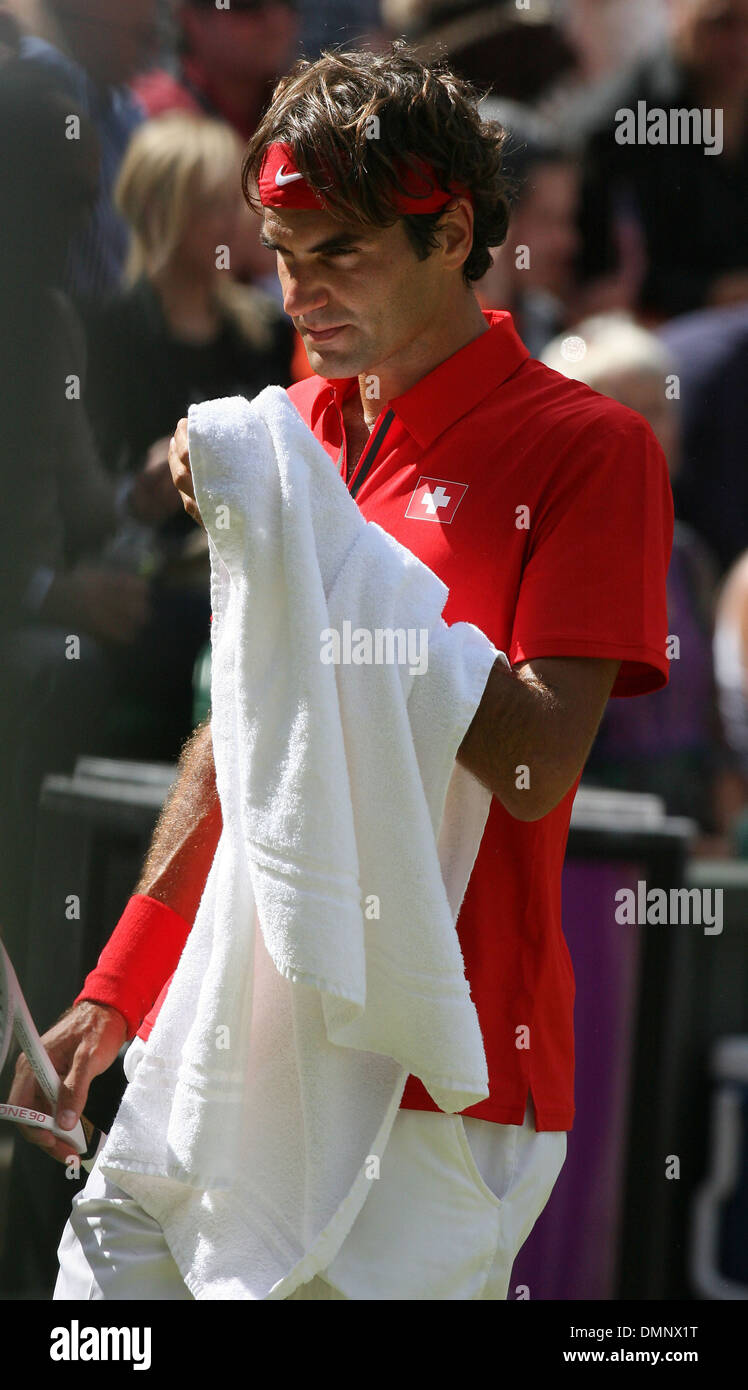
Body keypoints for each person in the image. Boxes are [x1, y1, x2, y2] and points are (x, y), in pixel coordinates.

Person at [12, 41, 673, 1301]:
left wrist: (334, 558)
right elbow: (243, 735)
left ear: (453, 233)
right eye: (281, 253)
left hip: (446, 1087)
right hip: (219, 1038)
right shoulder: (289, 435)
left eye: (340, 252)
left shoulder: (593, 449)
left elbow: (534, 764)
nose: (301, 291)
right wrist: (115, 990)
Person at [542, 313, 743, 850]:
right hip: (586, 849)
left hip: (689, 844)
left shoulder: (686, 555)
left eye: (658, 411)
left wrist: (721, 823)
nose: (647, 431)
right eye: (622, 412)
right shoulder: (542, 558)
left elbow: (712, 717)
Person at [83, 111, 296, 575]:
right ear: (162, 213)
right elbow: (82, 493)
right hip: (153, 575)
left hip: (257, 559)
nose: (233, 223)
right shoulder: (106, 339)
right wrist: (139, 495)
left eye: (233, 203)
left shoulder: (266, 331)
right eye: (210, 206)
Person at [568, 0, 748, 319]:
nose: (741, 43)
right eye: (722, 24)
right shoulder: (615, 127)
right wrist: (716, 294)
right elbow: (603, 281)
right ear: (676, 9)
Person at [11, 0, 158, 305]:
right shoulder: (36, 83)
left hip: (113, 334)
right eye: (142, 35)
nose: (152, 51)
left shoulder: (124, 110)